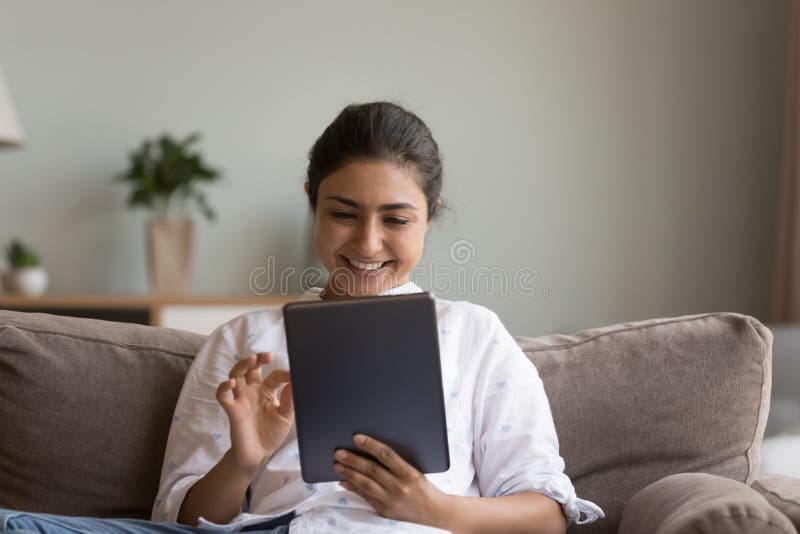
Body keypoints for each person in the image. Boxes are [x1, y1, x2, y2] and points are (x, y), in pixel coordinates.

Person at [0, 102, 603, 534]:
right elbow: (181, 518)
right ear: (312, 200)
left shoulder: (474, 335)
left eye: (395, 219)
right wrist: (244, 458)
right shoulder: (244, 340)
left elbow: (546, 514)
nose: (368, 244)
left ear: (430, 215)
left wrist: (430, 507)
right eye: (344, 214)